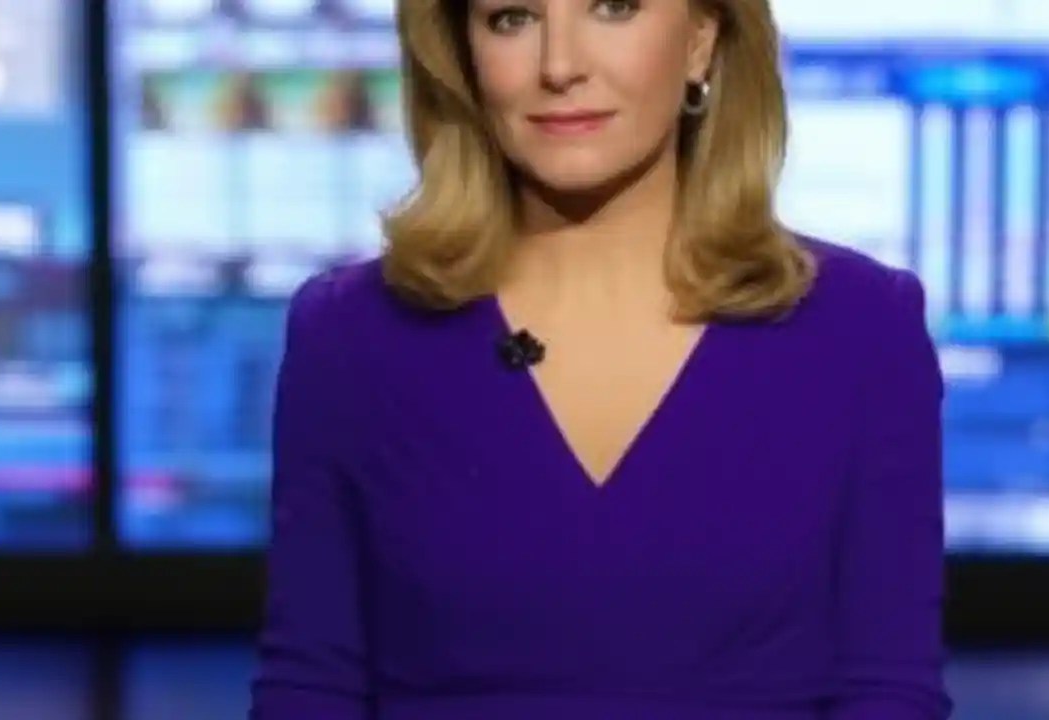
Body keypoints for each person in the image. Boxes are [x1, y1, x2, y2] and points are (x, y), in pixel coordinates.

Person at [248, 0, 954, 717]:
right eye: (512, 19)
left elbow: (888, 690)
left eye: (612, 8)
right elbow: (310, 689)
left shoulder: (860, 329)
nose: (559, 66)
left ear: (701, 40)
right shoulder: (350, 335)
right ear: (462, 53)